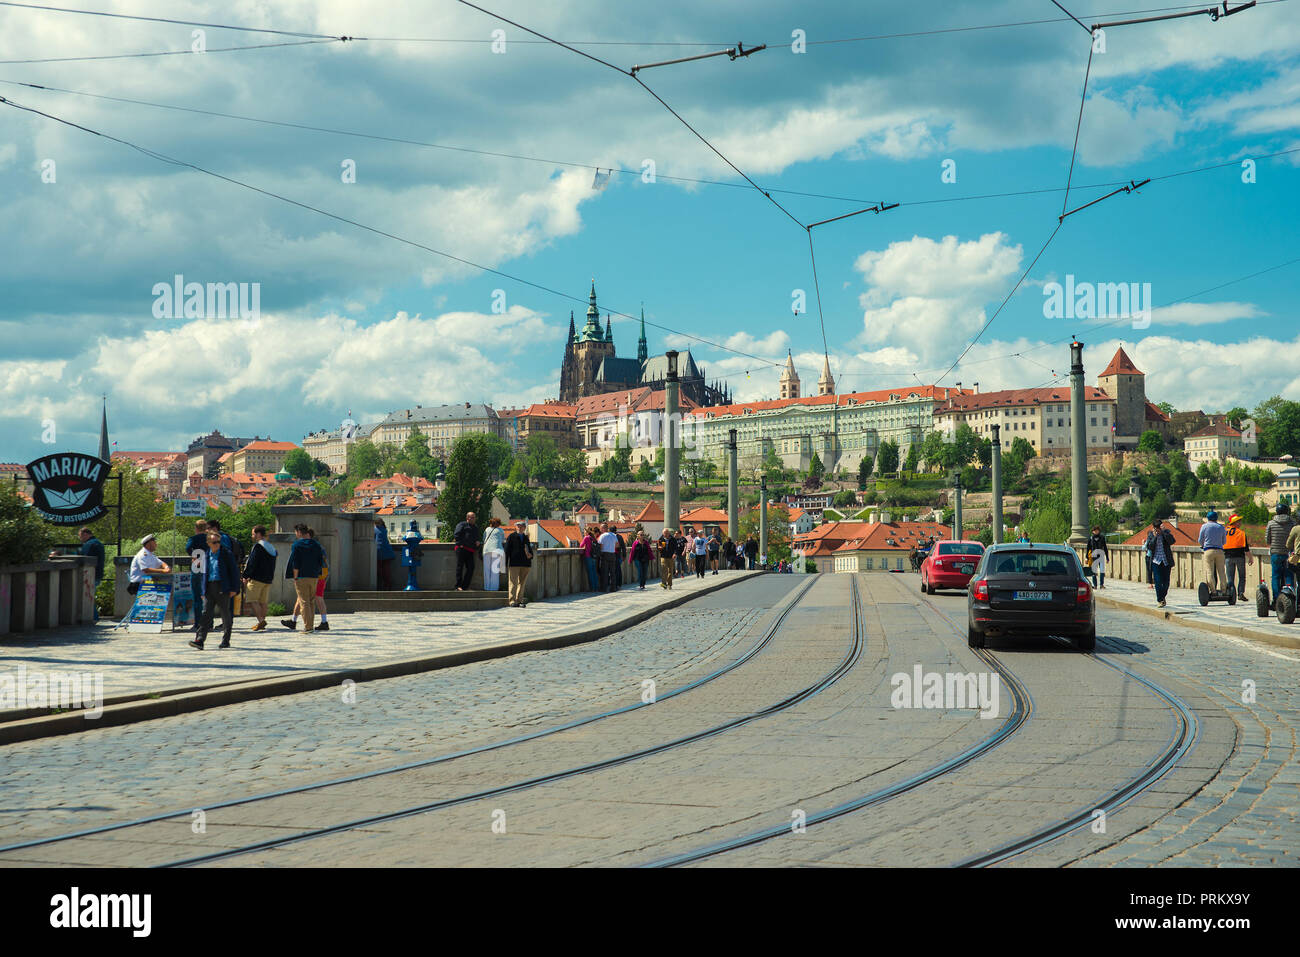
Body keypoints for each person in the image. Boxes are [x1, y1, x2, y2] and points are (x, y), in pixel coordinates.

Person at [189, 530, 239, 650]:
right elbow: (204, 574)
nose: (217, 544)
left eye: (218, 542)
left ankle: (226, 640)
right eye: (214, 542)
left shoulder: (226, 554)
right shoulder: (206, 554)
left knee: (225, 614)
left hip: (223, 586)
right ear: (208, 543)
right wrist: (202, 591)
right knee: (205, 613)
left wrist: (234, 588)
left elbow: (234, 572)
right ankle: (200, 640)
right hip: (209, 587)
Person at [282, 523, 324, 632]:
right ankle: (310, 624)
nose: (296, 534)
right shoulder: (316, 544)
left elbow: (296, 562)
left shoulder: (296, 545)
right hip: (314, 576)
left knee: (303, 601)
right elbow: (320, 561)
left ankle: (308, 627)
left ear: (299, 532)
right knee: (311, 601)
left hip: (301, 576)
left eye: (296, 532)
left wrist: (295, 577)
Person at [242, 524, 276, 631]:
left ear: (258, 534)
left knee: (253, 600)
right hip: (268, 578)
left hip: (256, 578)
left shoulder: (258, 546)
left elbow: (252, 563)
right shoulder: (271, 547)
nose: (252, 536)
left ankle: (261, 621)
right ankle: (262, 621)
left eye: (253, 534)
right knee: (263, 602)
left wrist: (245, 576)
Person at [1265, 503, 1296, 608]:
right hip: (1289, 554)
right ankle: (1291, 600)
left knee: (1276, 576)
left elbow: (1267, 540)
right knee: (1289, 575)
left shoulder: (1271, 523)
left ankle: (1276, 600)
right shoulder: (1292, 523)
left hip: (1276, 553)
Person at [1146, 519, 1177, 608]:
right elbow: (1149, 547)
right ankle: (1160, 599)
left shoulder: (1166, 533)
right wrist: (1155, 537)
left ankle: (1162, 596)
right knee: (1158, 581)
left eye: (1159, 528)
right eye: (1156, 528)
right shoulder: (1151, 535)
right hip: (1156, 561)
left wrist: (1164, 533)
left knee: (1166, 582)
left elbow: (1172, 541)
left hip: (1166, 561)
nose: (1158, 530)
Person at [184, 519, 208, 629]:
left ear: (196, 528)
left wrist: (194, 557)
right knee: (209, 597)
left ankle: (198, 623)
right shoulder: (210, 538)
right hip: (208, 568)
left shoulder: (193, 539)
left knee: (197, 597)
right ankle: (209, 623)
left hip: (197, 568)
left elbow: (188, 548)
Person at [504, 520, 535, 607]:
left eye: (521, 526)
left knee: (522, 583)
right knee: (513, 582)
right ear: (515, 527)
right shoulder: (511, 536)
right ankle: (512, 601)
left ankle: (519, 600)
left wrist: (530, 555)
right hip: (514, 563)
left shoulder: (526, 538)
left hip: (525, 563)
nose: (519, 527)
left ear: (524, 528)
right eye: (518, 526)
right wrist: (505, 563)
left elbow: (530, 550)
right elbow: (506, 551)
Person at [1198, 509, 1227, 595]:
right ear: (1216, 518)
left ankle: (1213, 590)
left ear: (1207, 518)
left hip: (1208, 550)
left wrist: (1203, 544)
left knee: (1210, 571)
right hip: (1219, 550)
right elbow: (1224, 542)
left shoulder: (1204, 526)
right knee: (1221, 571)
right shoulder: (1221, 527)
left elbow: (1200, 540)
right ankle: (1224, 590)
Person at [1223, 513, 1251, 598]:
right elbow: (1246, 548)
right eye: (1238, 521)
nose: (1240, 523)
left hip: (1228, 557)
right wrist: (1250, 558)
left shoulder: (1225, 532)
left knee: (1230, 577)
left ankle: (1231, 594)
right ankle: (1240, 593)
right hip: (1239, 557)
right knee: (1242, 576)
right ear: (1234, 523)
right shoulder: (1241, 533)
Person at [453, 511, 479, 591]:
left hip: (470, 550)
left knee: (471, 567)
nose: (474, 519)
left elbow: (475, 537)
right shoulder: (462, 524)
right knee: (460, 567)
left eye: (474, 517)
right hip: (461, 548)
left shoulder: (475, 527)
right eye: (472, 517)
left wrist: (477, 542)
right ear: (467, 518)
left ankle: (465, 586)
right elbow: (456, 535)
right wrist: (460, 544)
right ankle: (458, 586)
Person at [482, 517, 505, 592]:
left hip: (487, 550)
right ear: (498, 523)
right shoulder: (500, 530)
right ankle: (494, 588)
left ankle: (487, 587)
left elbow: (484, 539)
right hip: (496, 550)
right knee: (494, 570)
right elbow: (502, 540)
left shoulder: (487, 529)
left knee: (487, 570)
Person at [375, 517, 396, 590]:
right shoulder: (384, 529)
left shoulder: (375, 529)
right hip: (387, 550)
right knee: (387, 569)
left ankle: (383, 585)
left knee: (379, 569)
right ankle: (388, 584)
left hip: (379, 551)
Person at [598, 522, 619, 592]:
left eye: (601, 528)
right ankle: (613, 588)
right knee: (613, 572)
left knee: (605, 572)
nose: (600, 530)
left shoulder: (602, 536)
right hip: (612, 554)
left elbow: (600, 546)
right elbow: (617, 545)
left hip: (605, 554)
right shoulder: (614, 535)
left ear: (604, 528)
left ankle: (604, 588)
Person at [580, 525, 599, 591]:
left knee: (590, 572)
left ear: (587, 531)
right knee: (594, 572)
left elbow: (581, 545)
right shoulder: (593, 538)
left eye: (584, 531)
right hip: (594, 556)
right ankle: (596, 587)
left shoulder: (586, 538)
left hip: (588, 556)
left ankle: (592, 588)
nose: (584, 532)